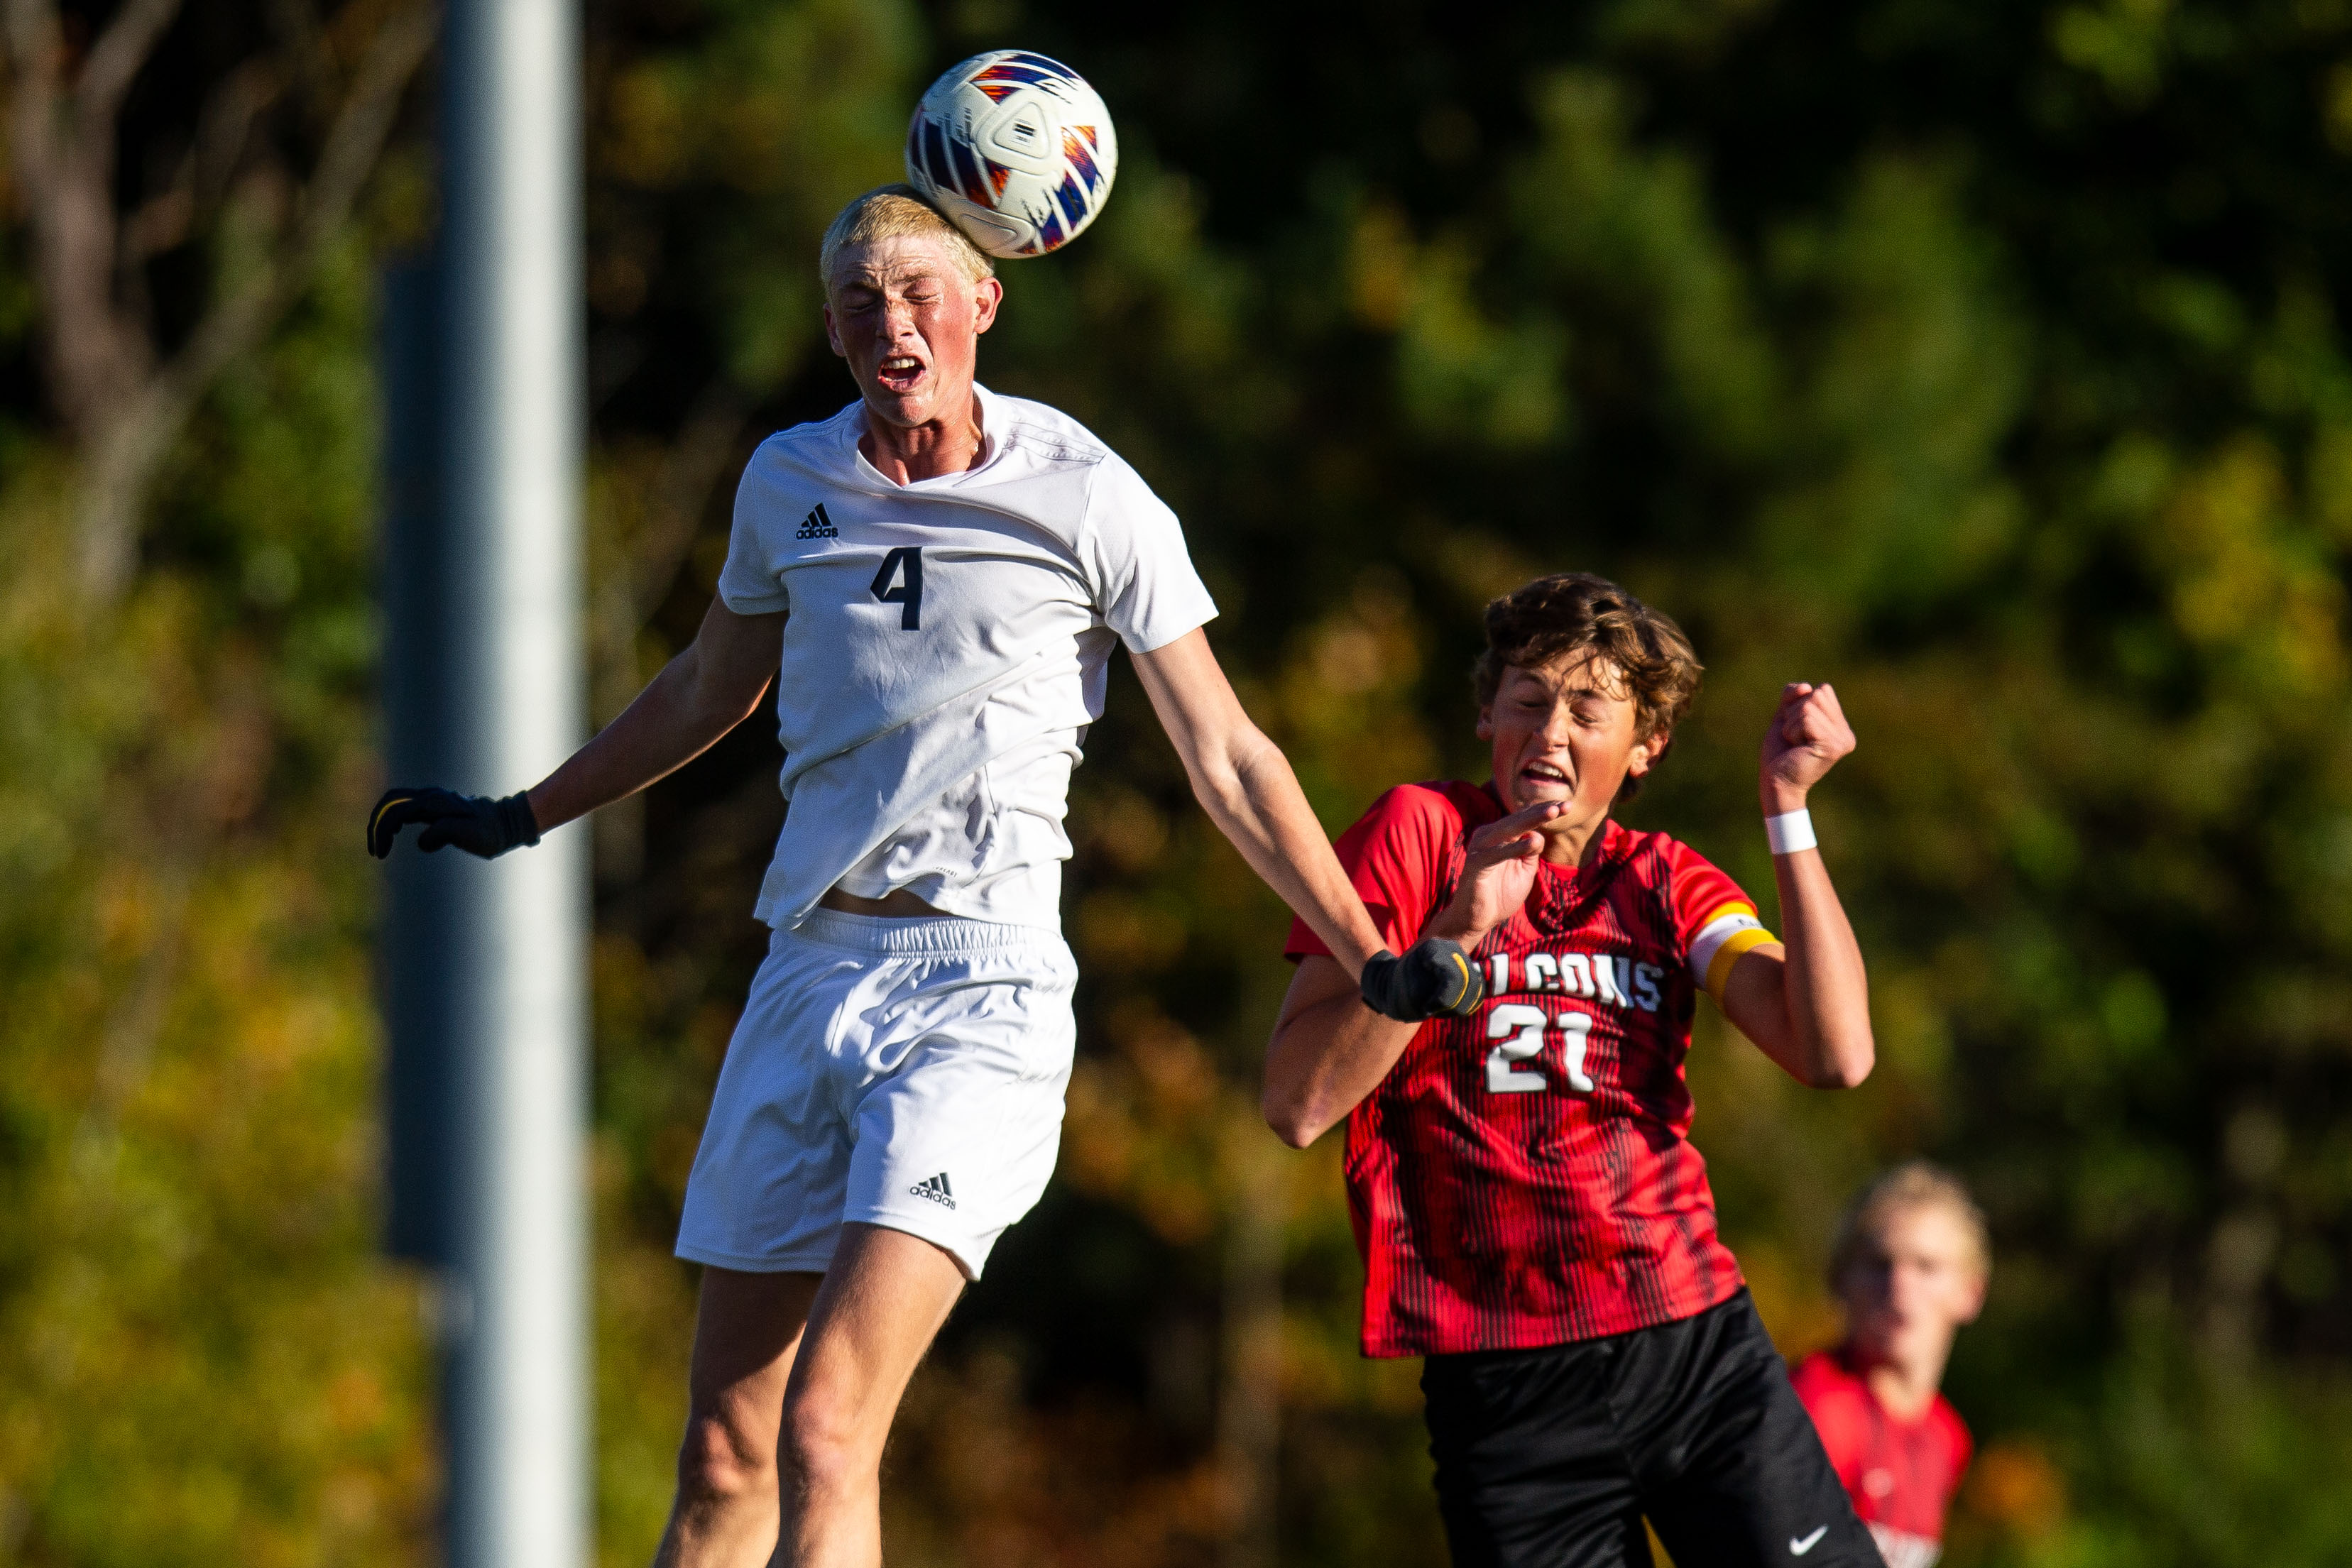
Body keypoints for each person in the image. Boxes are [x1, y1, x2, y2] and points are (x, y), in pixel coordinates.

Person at [367, 185, 1470, 1568]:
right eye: (859, 300)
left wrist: (1368, 951)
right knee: (723, 1457)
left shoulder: (1086, 492)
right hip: (806, 969)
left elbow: (1229, 757)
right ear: (830, 331)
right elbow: (710, 686)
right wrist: (524, 811)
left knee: (830, 1427)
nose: (893, 320)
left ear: (984, 303)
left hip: (980, 993)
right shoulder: (788, 482)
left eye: (918, 291)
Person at [1264, 571, 1886, 1568]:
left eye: (1587, 707)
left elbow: (1837, 1052)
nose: (1550, 729)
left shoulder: (1663, 881)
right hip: (1503, 1382)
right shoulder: (1420, 835)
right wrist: (1456, 934)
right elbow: (1297, 1103)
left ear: (1645, 748)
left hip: (1689, 1344)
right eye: (1527, 699)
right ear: (1486, 717)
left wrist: (1787, 808)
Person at [1791, 1164, 1987, 1568]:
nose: (1899, 1284)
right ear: (1839, 1280)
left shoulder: (1947, 1439)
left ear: (1971, 1292)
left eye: (1927, 1266)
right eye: (1879, 1263)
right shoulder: (1815, 1411)